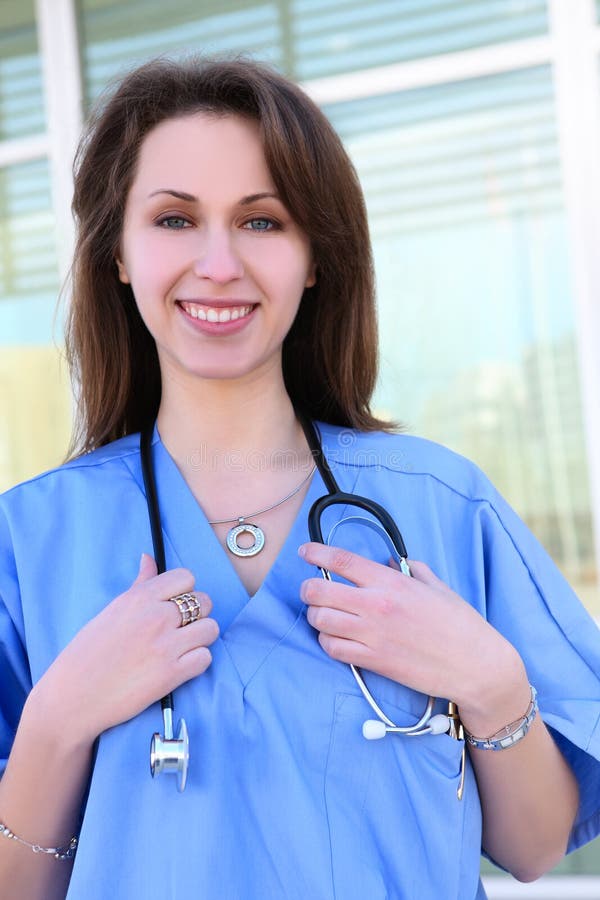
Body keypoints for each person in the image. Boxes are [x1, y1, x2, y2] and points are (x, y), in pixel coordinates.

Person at [0, 55, 599, 900]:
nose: (218, 263)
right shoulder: (28, 543)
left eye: (262, 221)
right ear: (118, 257)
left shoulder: (442, 505)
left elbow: (534, 848)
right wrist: (57, 724)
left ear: (315, 256)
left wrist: (490, 683)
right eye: (174, 220)